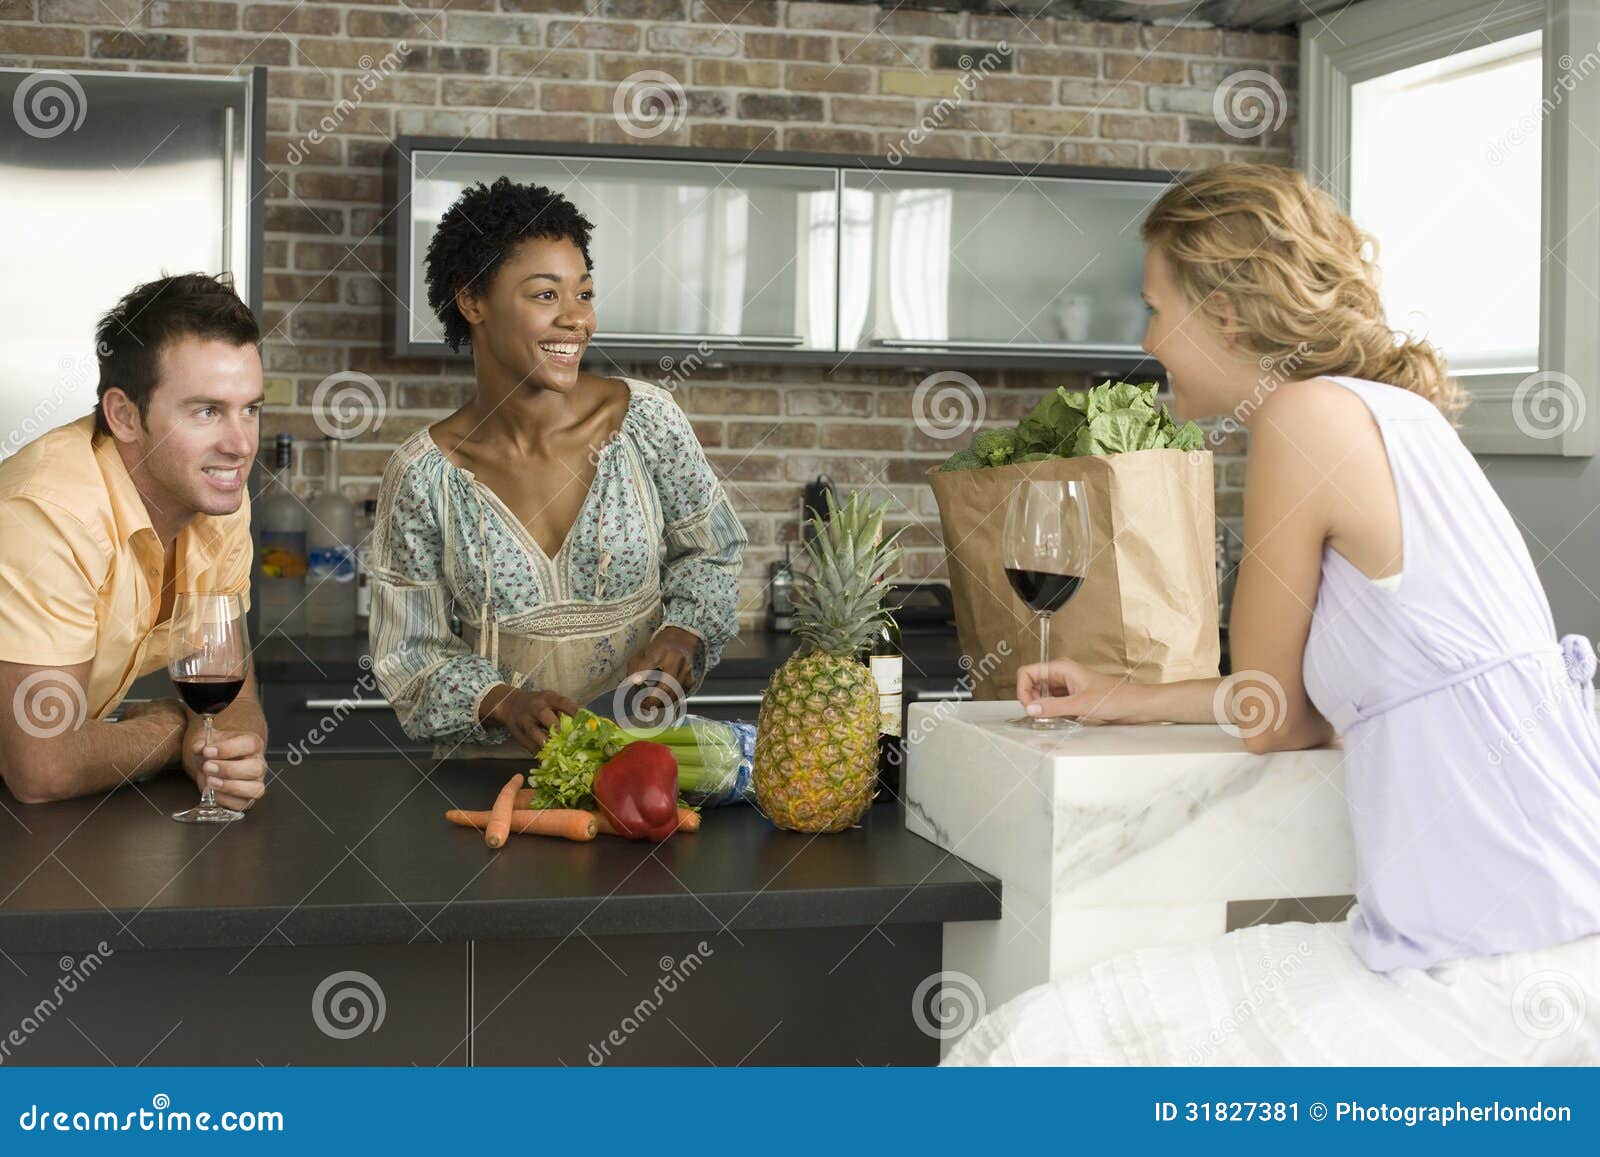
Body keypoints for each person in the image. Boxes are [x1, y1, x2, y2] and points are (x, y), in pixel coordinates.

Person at [947, 163, 1600, 1065]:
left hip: (1490, 973)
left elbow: (1269, 718)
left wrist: (1166, 699)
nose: (1149, 342)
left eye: (1154, 308)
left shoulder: (1302, 417)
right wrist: (1120, 696)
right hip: (1543, 931)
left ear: (1225, 311)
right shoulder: (1396, 418)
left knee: (1029, 1050)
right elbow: (1288, 705)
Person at [368, 178, 746, 757]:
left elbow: (713, 550)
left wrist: (681, 633)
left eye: (584, 294)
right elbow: (408, 653)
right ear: (472, 302)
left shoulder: (646, 421)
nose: (576, 319)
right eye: (546, 295)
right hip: (494, 787)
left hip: (641, 769)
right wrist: (503, 702)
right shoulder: (424, 475)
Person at [0, 273, 270, 810]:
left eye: (251, 409)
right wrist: (177, 729)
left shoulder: (216, 500)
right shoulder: (47, 517)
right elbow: (42, 767)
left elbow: (229, 686)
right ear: (124, 415)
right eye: (207, 411)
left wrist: (229, 746)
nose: (240, 444)